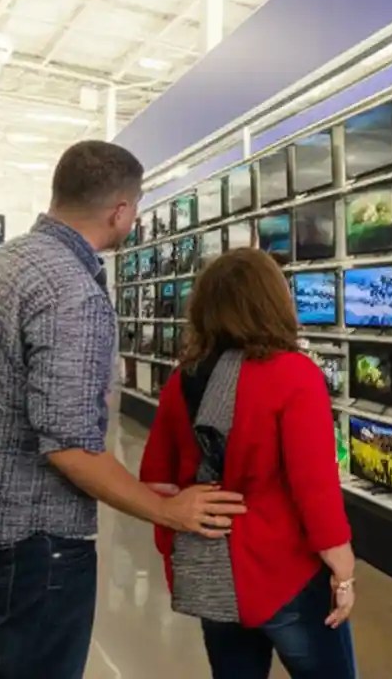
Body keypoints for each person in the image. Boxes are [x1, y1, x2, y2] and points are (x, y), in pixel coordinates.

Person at [0, 140, 247, 679]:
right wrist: (163, 508)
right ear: (120, 211)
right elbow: (70, 447)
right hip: (33, 539)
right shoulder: (71, 291)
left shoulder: (2, 262)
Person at [140, 248, 357, 679]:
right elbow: (315, 488)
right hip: (285, 575)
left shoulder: (182, 379)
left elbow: (157, 482)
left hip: (212, 576)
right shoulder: (294, 375)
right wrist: (343, 570)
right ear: (273, 301)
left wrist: (176, 548)